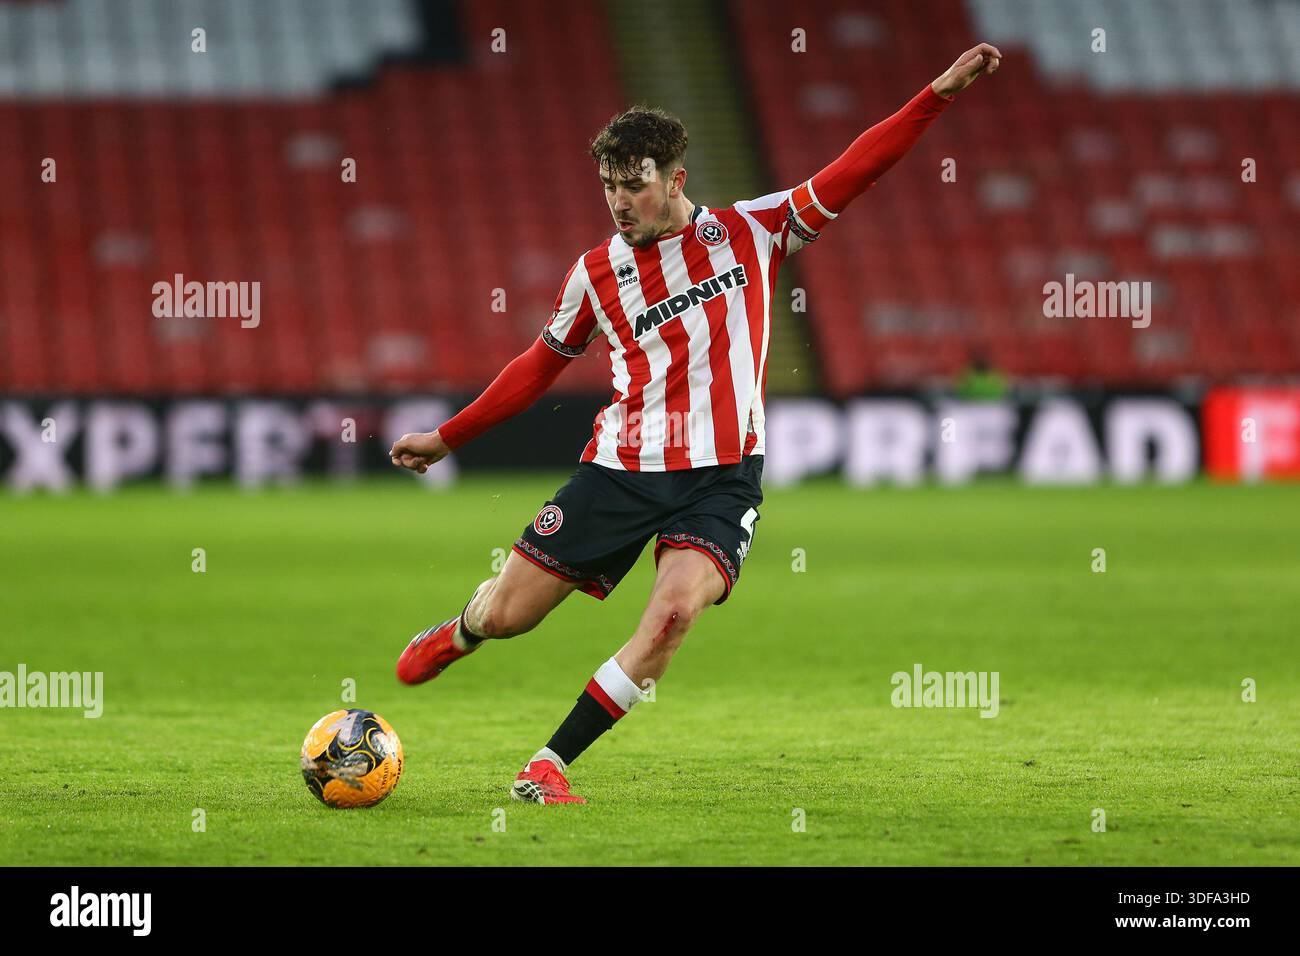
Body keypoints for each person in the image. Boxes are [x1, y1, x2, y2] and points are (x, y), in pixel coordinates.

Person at [389, 44, 1003, 804]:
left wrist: (935, 93)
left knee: (674, 614)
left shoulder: (757, 230)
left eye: (634, 186)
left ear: (675, 179)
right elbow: (539, 365)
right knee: (511, 615)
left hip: (721, 478)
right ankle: (464, 630)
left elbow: (857, 169)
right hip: (620, 470)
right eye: (609, 186)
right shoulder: (595, 273)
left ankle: (547, 765)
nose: (619, 202)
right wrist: (447, 437)